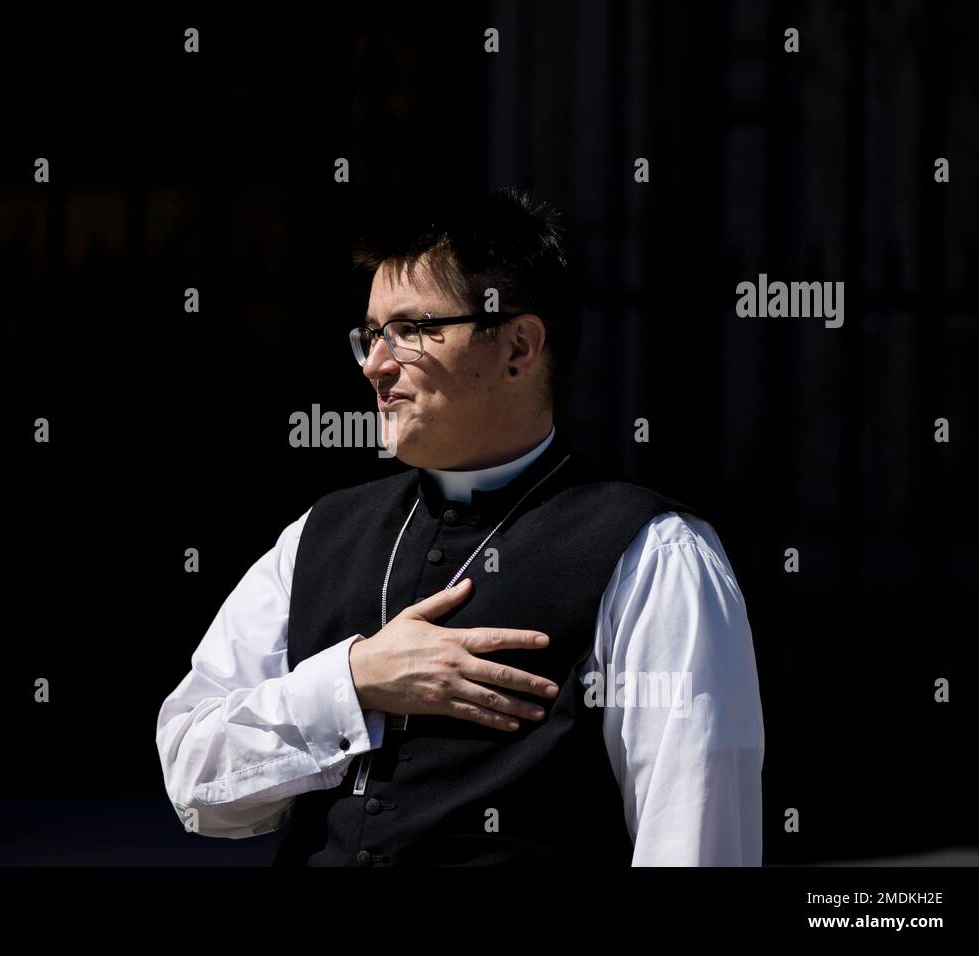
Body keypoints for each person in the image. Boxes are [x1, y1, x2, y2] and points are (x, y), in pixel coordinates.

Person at [156, 187, 764, 866]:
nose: (376, 365)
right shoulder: (317, 537)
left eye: (412, 331)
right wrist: (352, 682)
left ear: (518, 347)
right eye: (371, 334)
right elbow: (192, 776)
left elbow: (694, 834)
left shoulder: (654, 554)